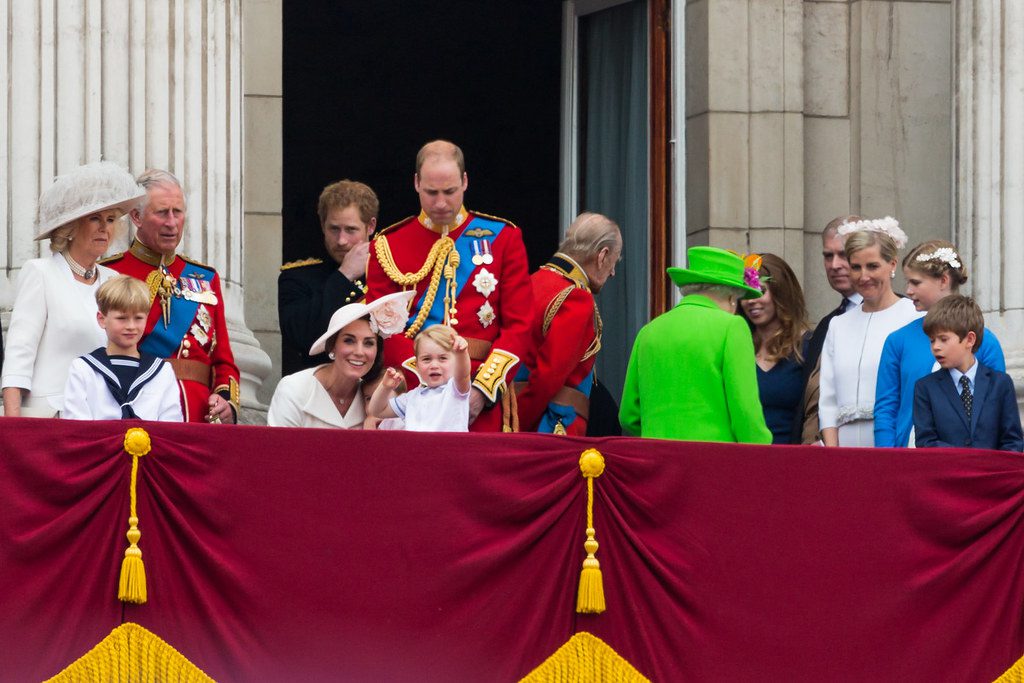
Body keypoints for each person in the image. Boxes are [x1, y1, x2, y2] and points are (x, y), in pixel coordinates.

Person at [366, 140, 533, 432]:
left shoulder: (503, 238)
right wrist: (428, 384)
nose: (441, 203)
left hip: (481, 399)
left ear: (465, 182)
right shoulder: (388, 245)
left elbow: (520, 326)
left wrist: (480, 390)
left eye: (449, 191)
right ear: (416, 183)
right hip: (417, 398)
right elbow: (386, 328)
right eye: (431, 192)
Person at [2, 161, 145, 417]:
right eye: (95, 218)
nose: (105, 227)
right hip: (51, 416)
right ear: (71, 227)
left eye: (111, 219)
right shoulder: (41, 273)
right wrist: (13, 430)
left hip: (100, 417)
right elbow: (18, 355)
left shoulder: (113, 280)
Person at [101, 169, 240, 423]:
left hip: (199, 415)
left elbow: (223, 359)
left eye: (178, 212)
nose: (172, 222)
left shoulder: (206, 278)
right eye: (162, 212)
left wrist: (226, 400)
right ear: (136, 216)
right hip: (140, 406)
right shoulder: (111, 273)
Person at [620, 246, 772, 443]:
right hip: (712, 465)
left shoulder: (648, 332)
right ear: (731, 297)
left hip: (657, 465)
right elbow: (745, 413)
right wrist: (765, 454)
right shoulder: (732, 327)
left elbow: (628, 416)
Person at [874, 241, 1004, 447]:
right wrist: (886, 460)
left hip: (971, 459)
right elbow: (886, 409)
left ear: (943, 280)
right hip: (908, 458)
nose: (907, 290)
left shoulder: (985, 342)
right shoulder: (898, 341)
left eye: (915, 283)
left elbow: (996, 409)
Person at [514, 212, 622, 435]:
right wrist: (520, 422)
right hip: (551, 427)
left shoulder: (530, 283)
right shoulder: (575, 297)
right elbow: (549, 377)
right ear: (602, 256)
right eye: (614, 262)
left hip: (518, 417)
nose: (612, 272)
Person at [819, 217, 922, 447]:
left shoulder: (914, 318)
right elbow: (828, 399)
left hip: (894, 443)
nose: (863, 276)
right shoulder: (838, 325)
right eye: (856, 267)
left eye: (872, 266)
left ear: (892, 264)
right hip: (842, 450)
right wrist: (832, 454)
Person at [267, 290, 413, 428]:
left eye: (368, 343)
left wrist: (380, 422)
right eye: (349, 341)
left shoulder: (375, 398)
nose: (359, 352)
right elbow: (278, 451)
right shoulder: (294, 389)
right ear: (332, 346)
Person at [278, 180, 378, 375]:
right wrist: (344, 276)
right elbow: (303, 337)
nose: (341, 240)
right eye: (334, 229)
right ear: (323, 226)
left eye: (350, 230)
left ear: (370, 226)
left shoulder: (389, 273)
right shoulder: (297, 277)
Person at [62, 276, 182, 421]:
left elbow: (172, 427)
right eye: (122, 318)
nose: (131, 326)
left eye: (138, 318)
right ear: (102, 319)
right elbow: (76, 427)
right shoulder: (83, 369)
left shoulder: (162, 371)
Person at [913, 295, 1022, 451]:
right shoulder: (925, 388)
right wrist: (966, 461)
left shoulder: (1000, 383)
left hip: (992, 473)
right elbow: (925, 442)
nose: (936, 347)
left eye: (943, 339)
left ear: (970, 339)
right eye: (932, 340)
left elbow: (1013, 442)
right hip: (947, 473)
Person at [800, 215, 864, 443]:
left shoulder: (902, 313)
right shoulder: (828, 324)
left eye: (843, 255)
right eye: (828, 256)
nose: (835, 265)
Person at [738, 253, 811, 444]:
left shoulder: (808, 345)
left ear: (781, 293)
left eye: (760, 291)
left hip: (791, 459)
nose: (751, 300)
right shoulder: (736, 345)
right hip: (742, 458)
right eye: (745, 293)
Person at [367, 324, 471, 432]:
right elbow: (376, 411)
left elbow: (463, 375)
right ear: (417, 366)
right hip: (415, 449)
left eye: (442, 358)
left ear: (456, 363)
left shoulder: (456, 390)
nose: (434, 365)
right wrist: (384, 387)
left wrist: (462, 353)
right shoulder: (411, 397)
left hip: (449, 448)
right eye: (426, 359)